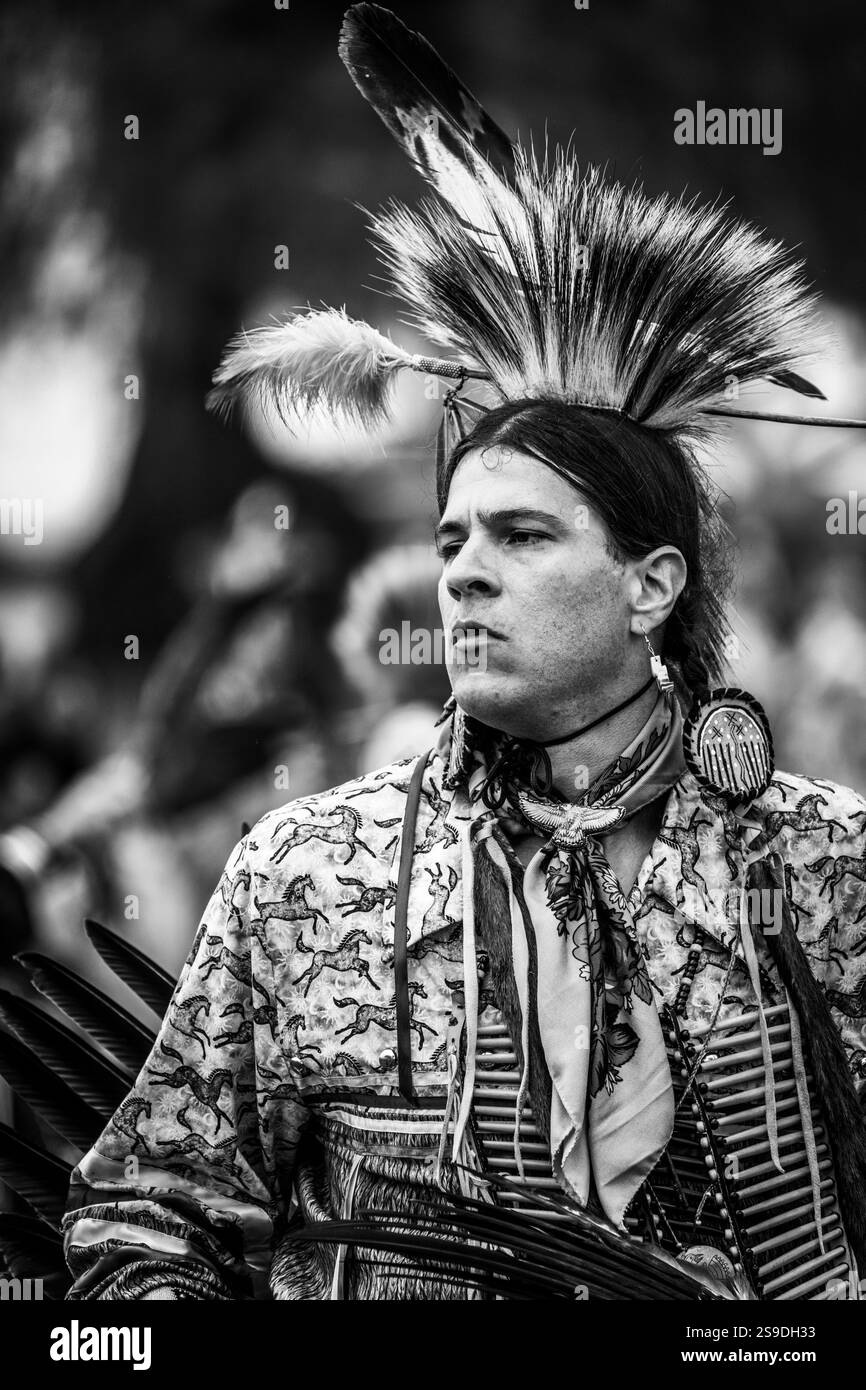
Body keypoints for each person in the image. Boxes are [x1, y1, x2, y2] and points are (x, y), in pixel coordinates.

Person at [61, 5, 866, 1301]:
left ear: (651, 582)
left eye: (522, 534)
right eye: (450, 538)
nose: (463, 570)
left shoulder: (826, 866)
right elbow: (146, 1215)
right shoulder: (301, 870)